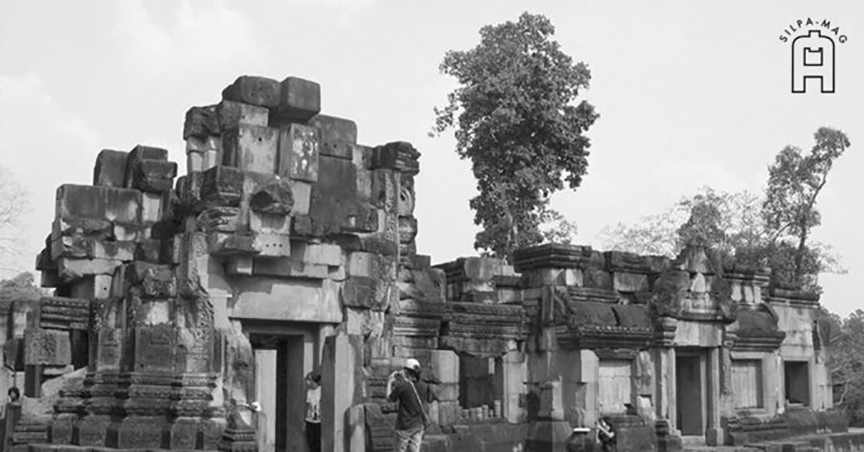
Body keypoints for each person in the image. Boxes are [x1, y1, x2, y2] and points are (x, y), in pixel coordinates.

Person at [387, 358, 435, 452]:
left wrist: (389, 382)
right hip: (419, 424)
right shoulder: (424, 385)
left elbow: (389, 399)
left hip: (404, 426)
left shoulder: (402, 386)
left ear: (405, 371)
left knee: (400, 449)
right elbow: (429, 399)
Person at [305, 371, 321, 452]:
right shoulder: (309, 392)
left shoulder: (320, 391)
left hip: (319, 421)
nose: (307, 382)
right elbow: (307, 405)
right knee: (310, 442)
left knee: (317, 442)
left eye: (309, 380)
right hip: (310, 420)